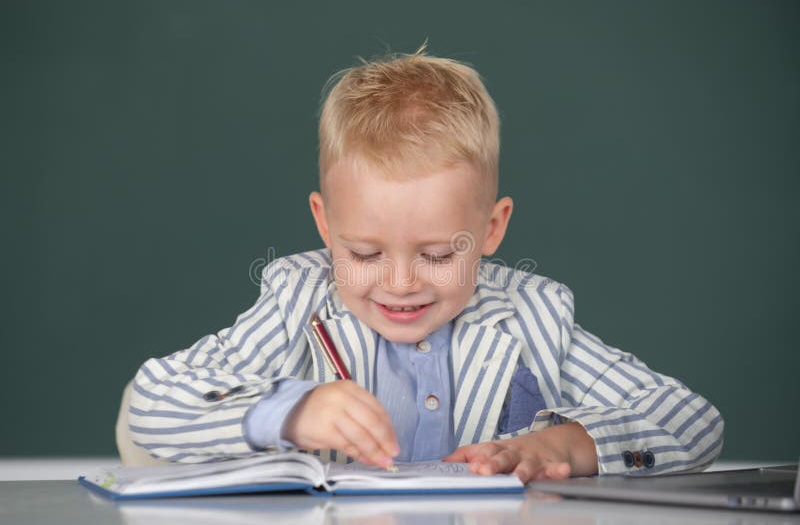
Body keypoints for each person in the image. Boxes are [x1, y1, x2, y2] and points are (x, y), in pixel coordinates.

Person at [128, 45, 723, 481]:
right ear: (324, 225)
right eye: (363, 253)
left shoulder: (533, 317)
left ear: (491, 228)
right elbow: (153, 405)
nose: (401, 282)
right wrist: (291, 411)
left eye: (438, 254)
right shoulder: (297, 302)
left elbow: (692, 422)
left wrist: (566, 446)